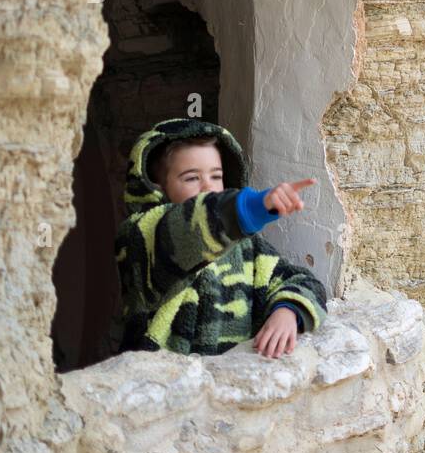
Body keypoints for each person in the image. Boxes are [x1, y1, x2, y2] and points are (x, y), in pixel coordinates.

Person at [114, 117, 327, 358]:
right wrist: (251, 207)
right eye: (192, 178)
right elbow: (186, 229)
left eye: (216, 176)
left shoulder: (248, 247)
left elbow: (304, 281)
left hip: (229, 384)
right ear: (157, 188)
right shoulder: (140, 236)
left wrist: (288, 311)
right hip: (163, 385)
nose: (208, 187)